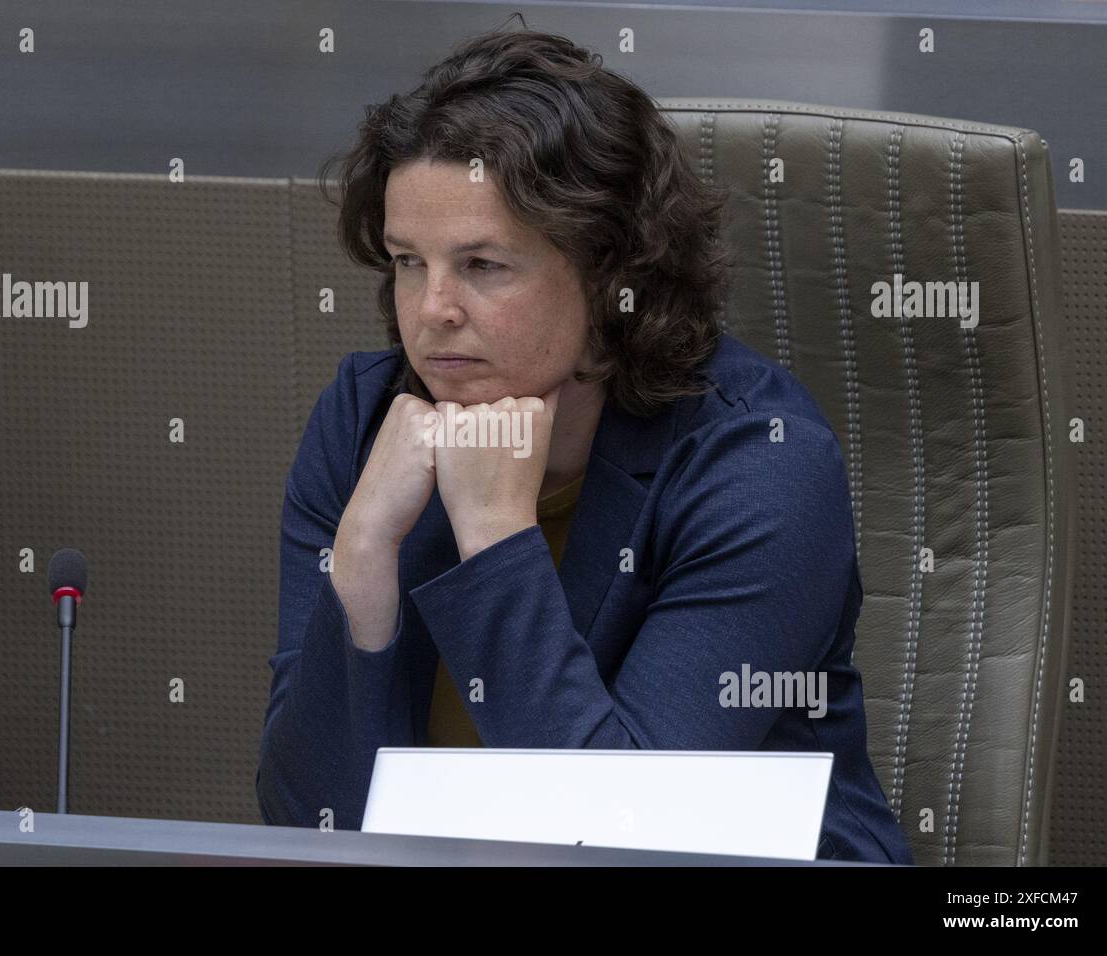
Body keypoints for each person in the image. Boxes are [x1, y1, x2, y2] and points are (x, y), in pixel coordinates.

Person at [255, 25, 914, 865]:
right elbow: (306, 819)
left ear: (611, 276)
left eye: (484, 265)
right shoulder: (366, 424)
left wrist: (495, 537)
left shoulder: (760, 465)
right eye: (409, 263)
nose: (431, 311)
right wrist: (363, 557)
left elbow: (614, 839)